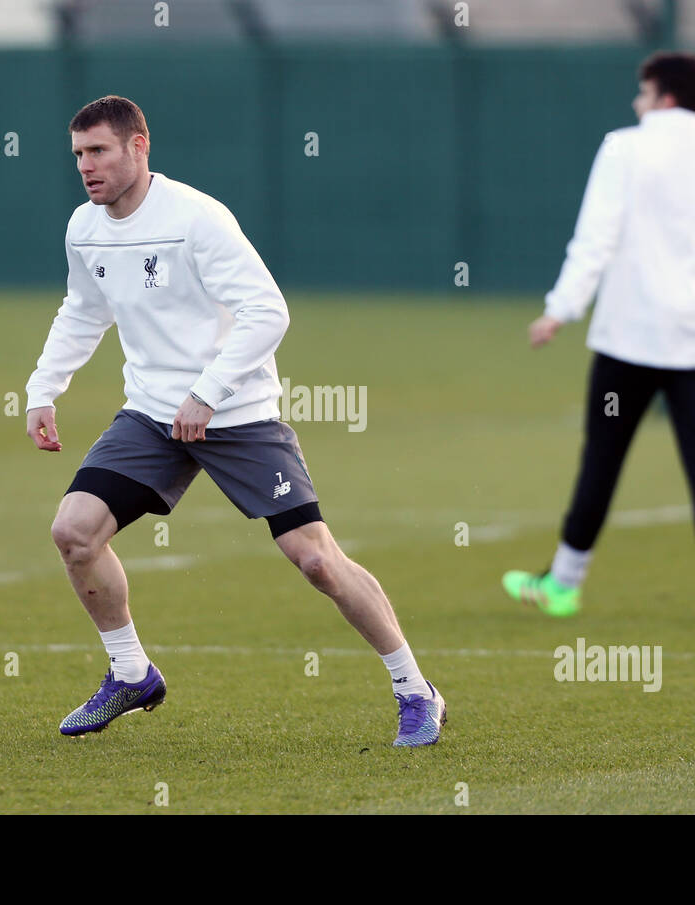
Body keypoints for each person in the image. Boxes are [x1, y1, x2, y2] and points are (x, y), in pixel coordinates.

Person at [25, 96, 445, 746]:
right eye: (78, 153)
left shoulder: (197, 218)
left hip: (237, 412)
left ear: (140, 146)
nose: (87, 165)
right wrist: (43, 389)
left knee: (315, 561)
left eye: (99, 150)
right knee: (74, 532)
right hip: (151, 415)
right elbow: (83, 310)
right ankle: (131, 672)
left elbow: (268, 311)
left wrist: (209, 391)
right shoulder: (85, 227)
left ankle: (416, 690)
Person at [503, 52, 695, 624]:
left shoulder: (623, 148)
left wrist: (559, 310)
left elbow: (594, 238)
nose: (636, 103)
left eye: (642, 92)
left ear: (665, 96)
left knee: (602, 459)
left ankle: (564, 585)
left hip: (630, 337)